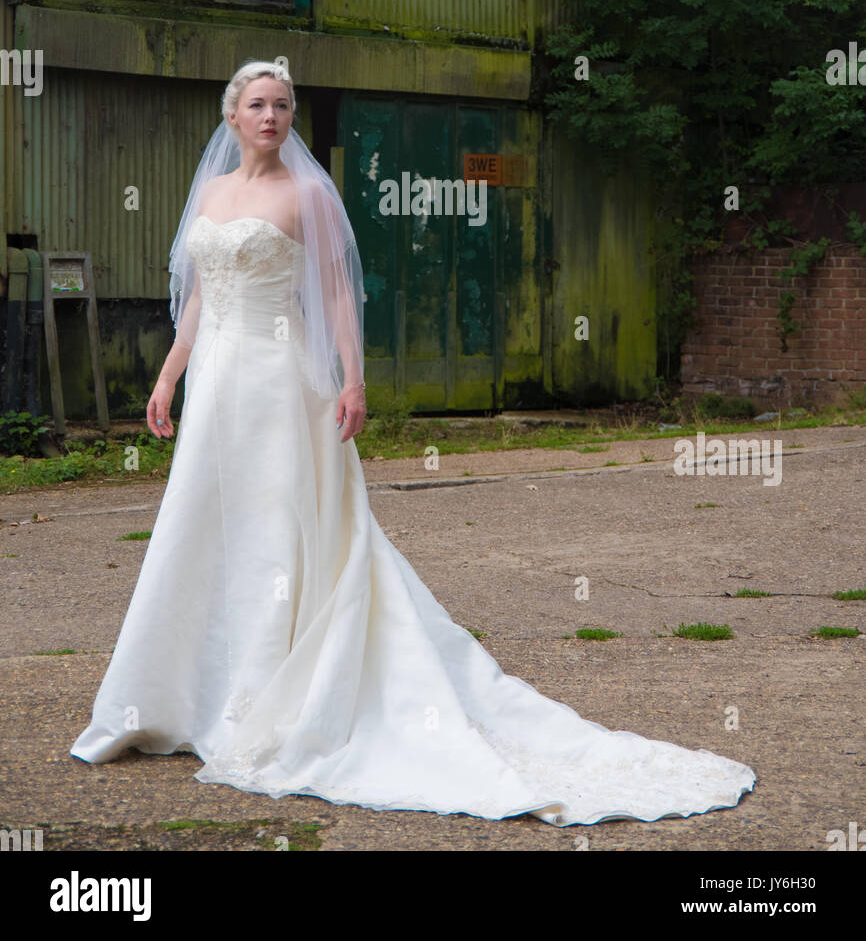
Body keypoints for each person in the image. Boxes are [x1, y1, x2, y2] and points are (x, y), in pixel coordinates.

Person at [70, 59, 756, 827]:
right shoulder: (210, 193)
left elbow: (336, 293)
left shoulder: (307, 195)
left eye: (284, 105)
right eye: (258, 104)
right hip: (216, 389)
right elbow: (199, 297)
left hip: (279, 383)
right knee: (201, 528)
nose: (272, 116)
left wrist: (353, 382)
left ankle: (262, 701)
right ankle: (180, 696)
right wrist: (167, 377)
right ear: (231, 117)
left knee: (275, 534)